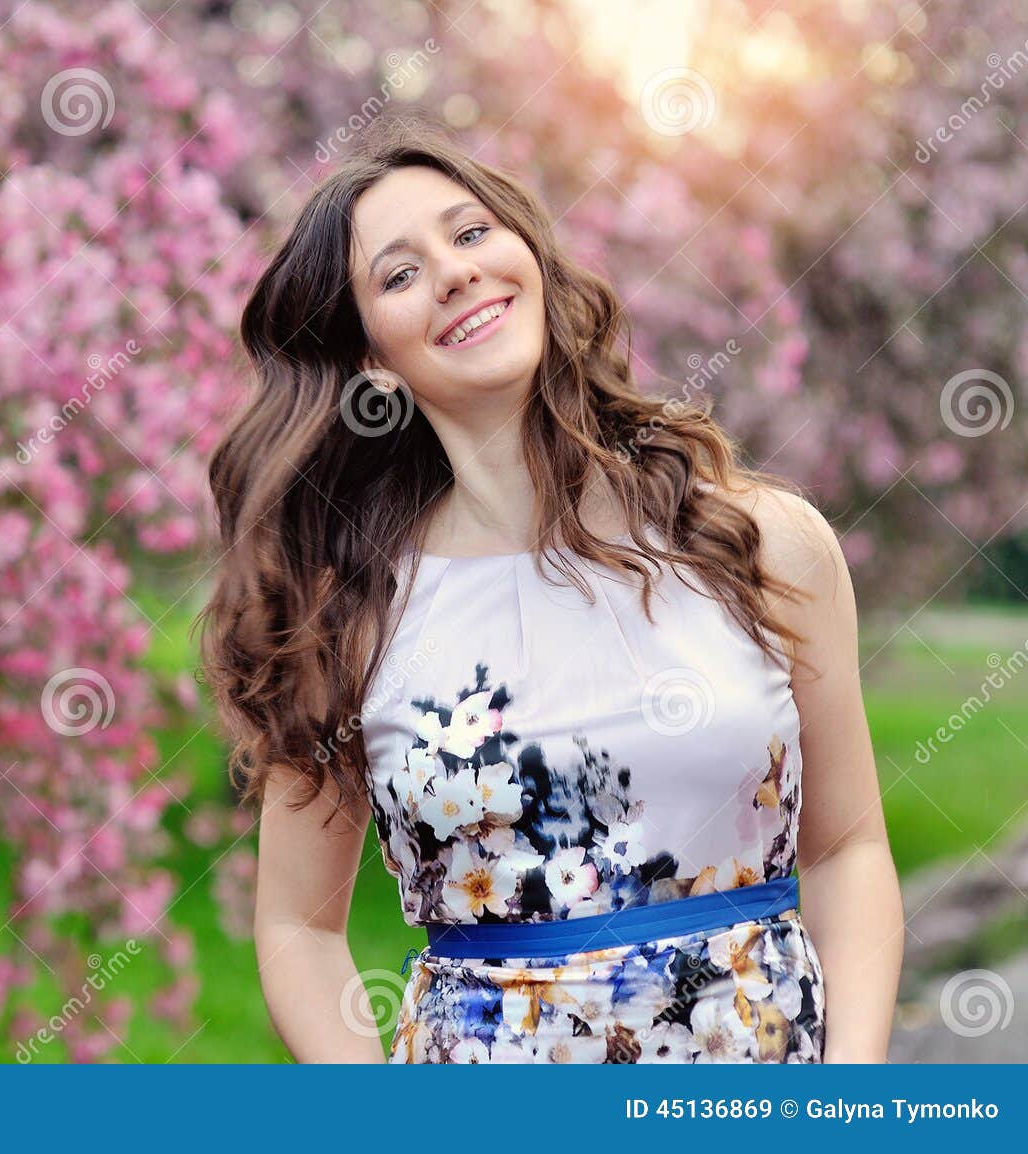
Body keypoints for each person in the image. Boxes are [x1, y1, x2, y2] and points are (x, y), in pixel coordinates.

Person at [195, 114, 903, 1063]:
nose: (454, 273)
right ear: (372, 360)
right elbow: (298, 927)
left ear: (529, 255)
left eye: (472, 232)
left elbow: (849, 850)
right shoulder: (354, 614)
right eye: (399, 275)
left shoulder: (763, 544)